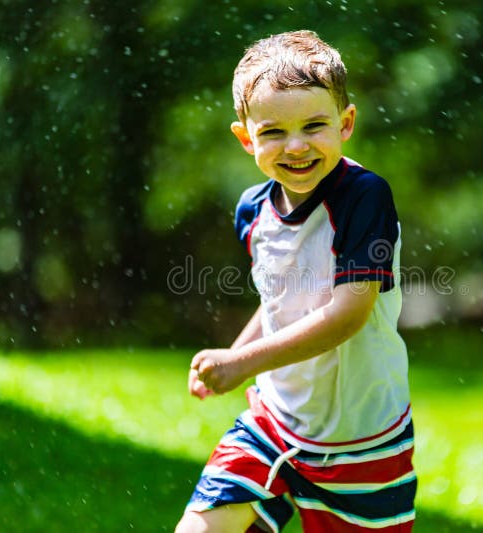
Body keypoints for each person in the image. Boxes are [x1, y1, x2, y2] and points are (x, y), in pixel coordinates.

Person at [176, 30, 415, 533]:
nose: (297, 146)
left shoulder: (363, 198)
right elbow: (280, 300)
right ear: (246, 138)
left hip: (362, 437)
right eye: (273, 132)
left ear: (345, 123)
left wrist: (242, 361)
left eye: (314, 125)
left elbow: (347, 315)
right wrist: (236, 358)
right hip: (272, 424)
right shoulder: (252, 211)